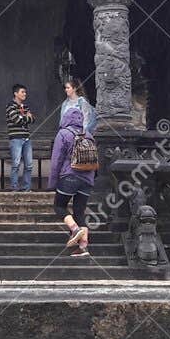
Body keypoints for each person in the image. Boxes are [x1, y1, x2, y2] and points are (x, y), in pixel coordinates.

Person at [47, 107, 96, 257]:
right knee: (80, 212)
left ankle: (75, 229)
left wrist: (52, 183)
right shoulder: (88, 135)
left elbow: (56, 160)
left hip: (70, 176)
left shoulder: (63, 134)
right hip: (87, 179)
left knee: (59, 206)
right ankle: (83, 247)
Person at [6, 83, 35, 192]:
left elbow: (33, 119)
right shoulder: (10, 106)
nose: (25, 94)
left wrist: (24, 117)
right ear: (15, 93)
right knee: (16, 164)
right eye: (22, 92)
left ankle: (26, 187)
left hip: (26, 138)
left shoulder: (25, 106)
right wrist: (26, 117)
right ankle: (14, 187)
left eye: (25, 92)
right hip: (16, 138)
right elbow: (17, 120)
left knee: (29, 165)